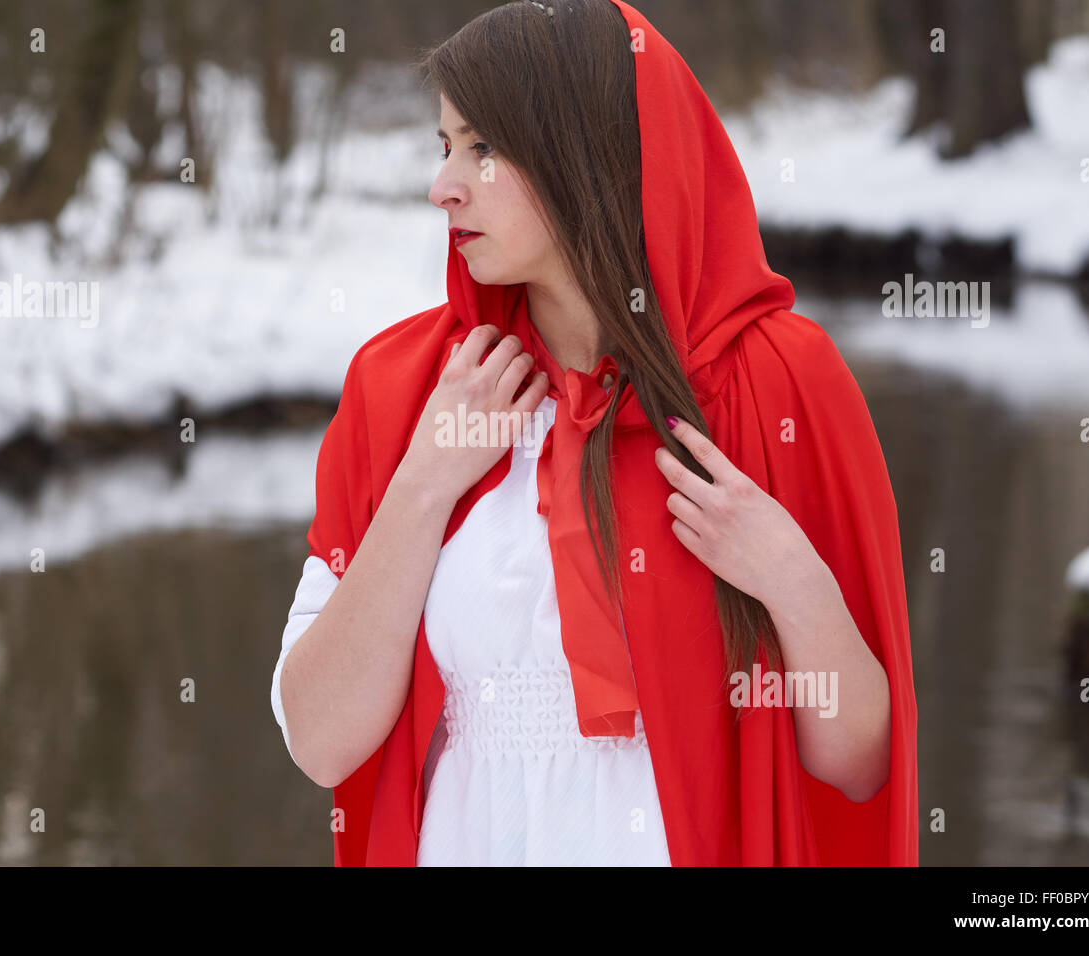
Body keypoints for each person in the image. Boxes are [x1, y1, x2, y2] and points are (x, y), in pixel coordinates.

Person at [272, 0, 918, 866]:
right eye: (443, 146)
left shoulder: (776, 383)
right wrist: (426, 483)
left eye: (483, 148)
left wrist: (791, 579)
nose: (443, 186)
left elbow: (859, 766)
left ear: (585, 156)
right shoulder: (408, 390)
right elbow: (321, 743)